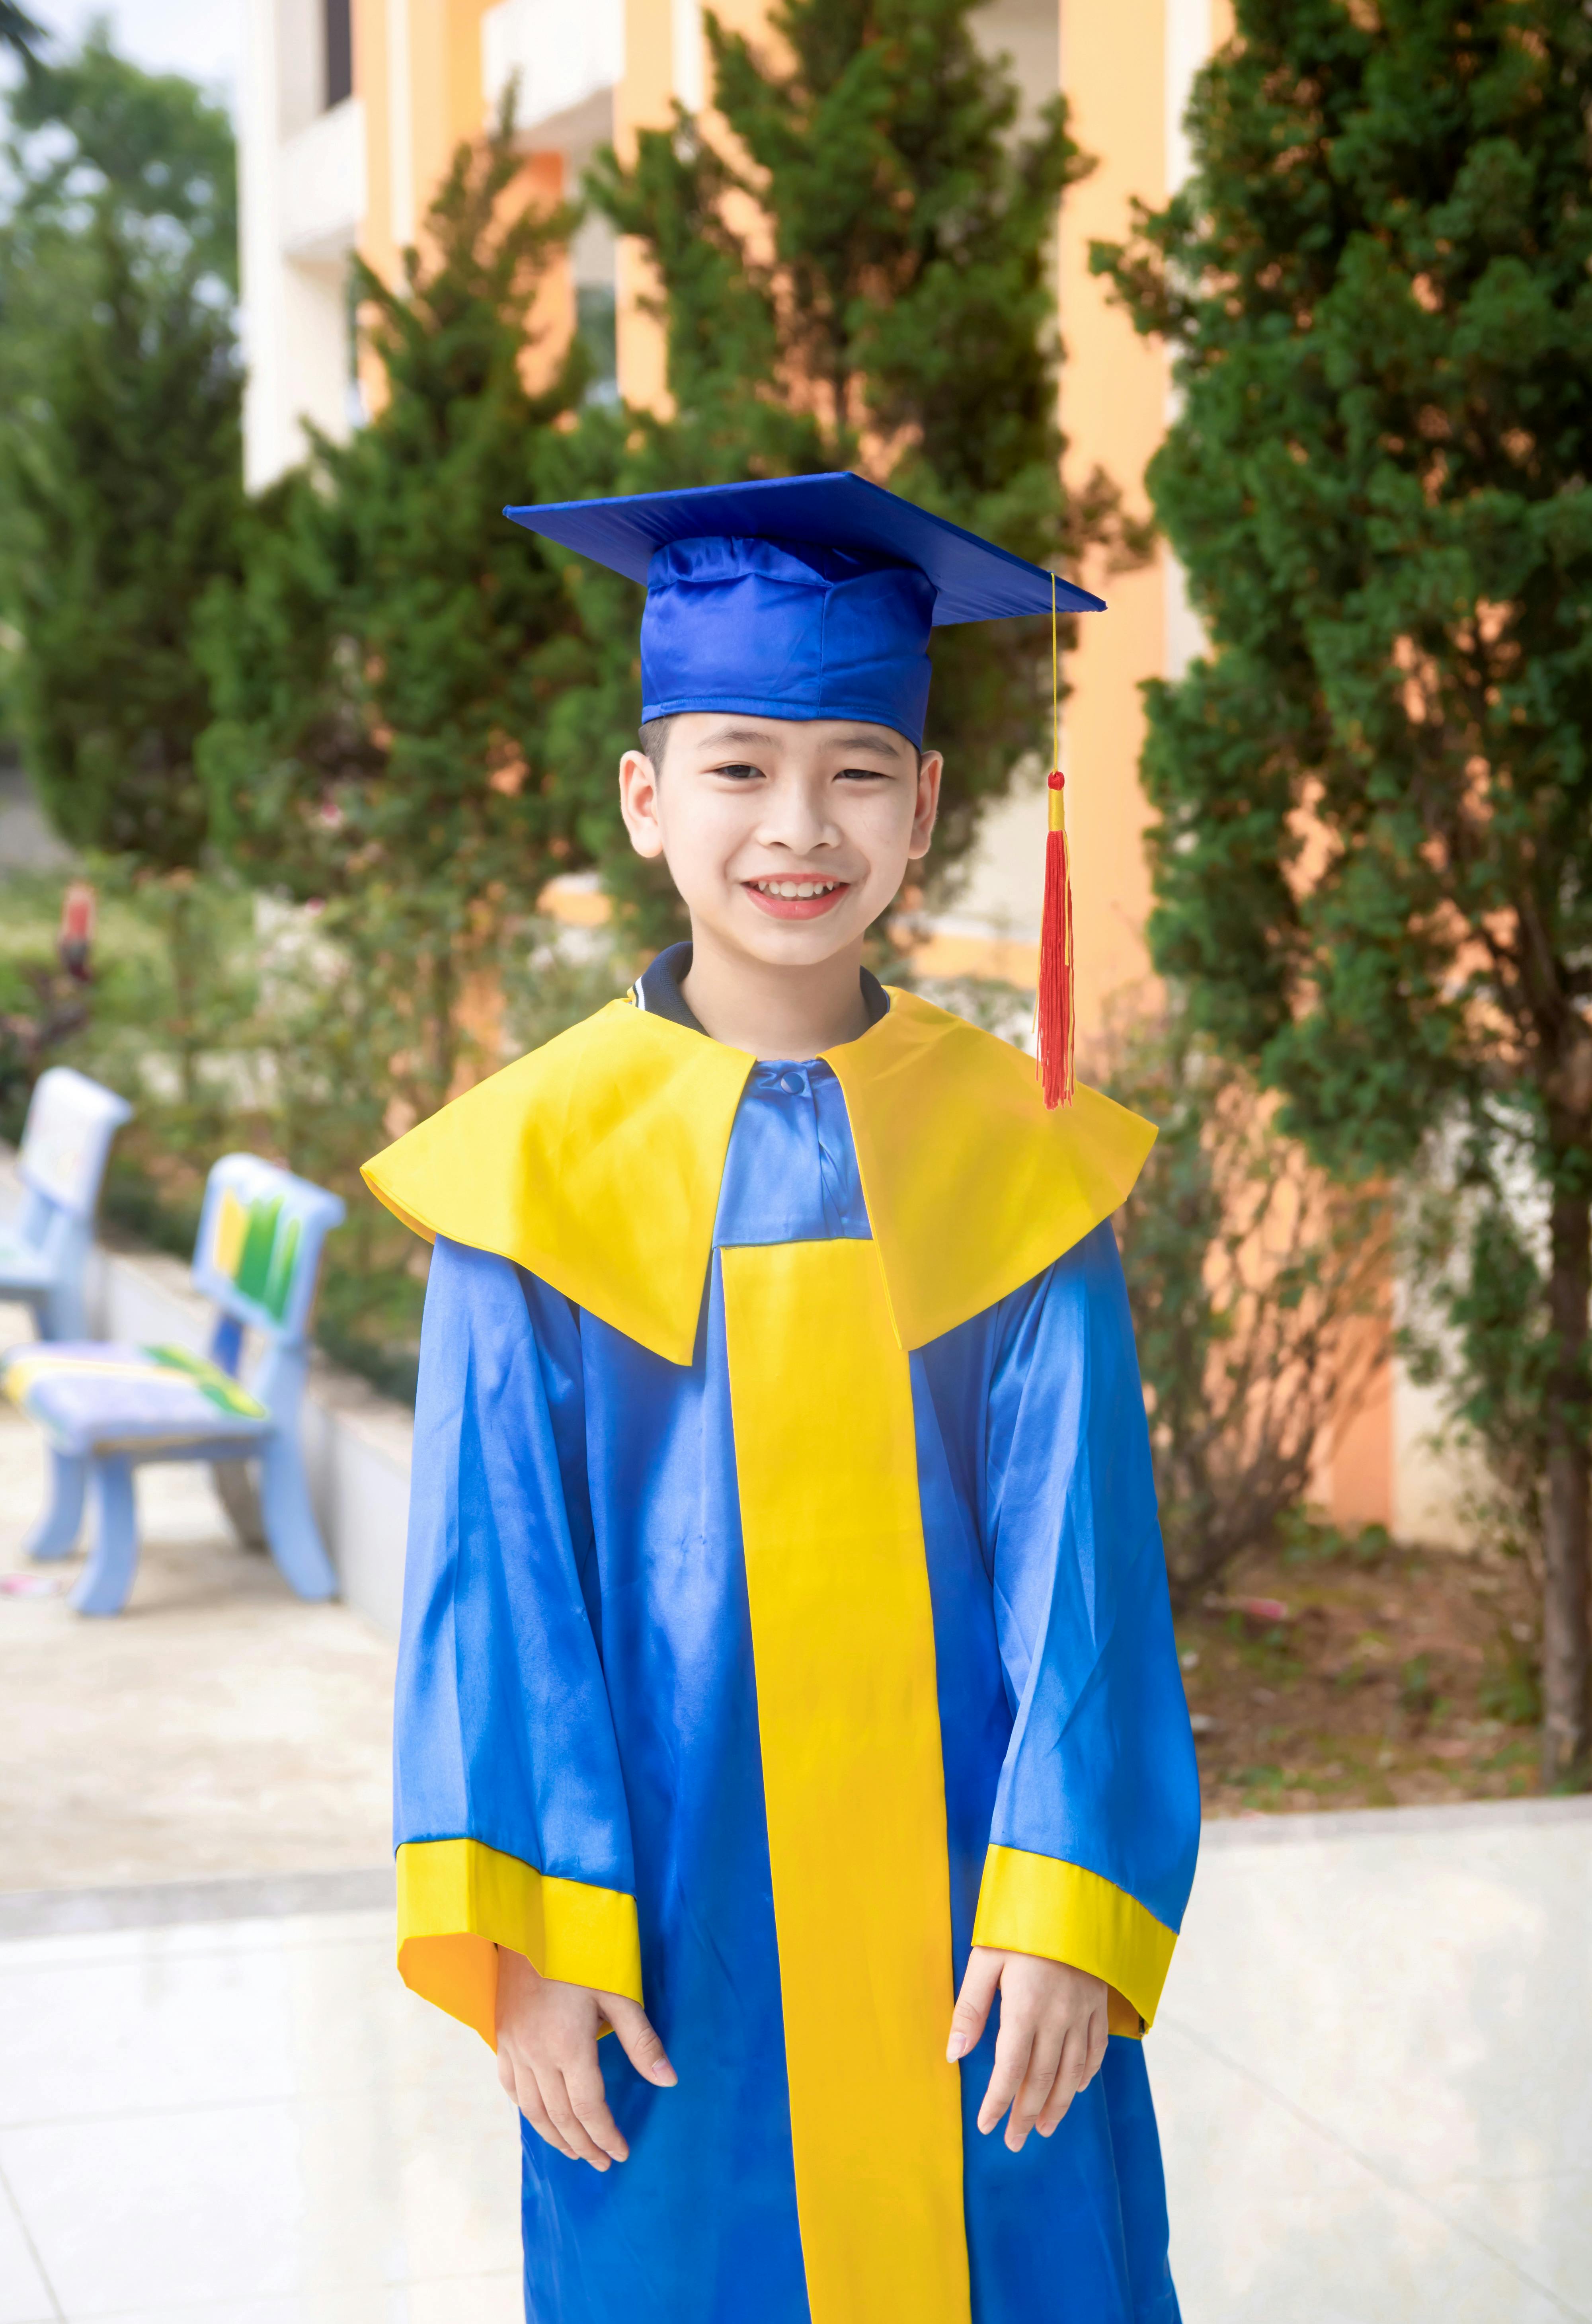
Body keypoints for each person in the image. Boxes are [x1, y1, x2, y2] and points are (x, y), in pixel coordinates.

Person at [363, 472, 1200, 2324]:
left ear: (925, 808)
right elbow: (493, 1586)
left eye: (855, 771)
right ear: (644, 800)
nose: (798, 825)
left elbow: (1084, 1567)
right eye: (737, 767)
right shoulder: (532, 1170)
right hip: (666, 1920)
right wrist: (533, 1941)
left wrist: (1065, 1897)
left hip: (971, 1922)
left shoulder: (1013, 1156)